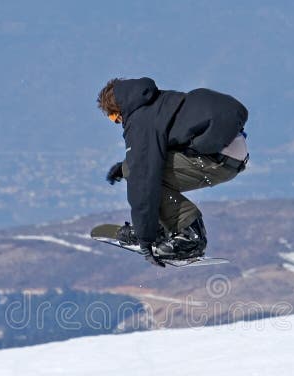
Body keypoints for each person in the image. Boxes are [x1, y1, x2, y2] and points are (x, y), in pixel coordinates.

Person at [97, 77, 249, 266]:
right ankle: (160, 227)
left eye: (113, 117)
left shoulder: (139, 120)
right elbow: (157, 150)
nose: (117, 121)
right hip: (231, 154)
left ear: (118, 108)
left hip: (216, 158)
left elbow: (143, 179)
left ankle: (190, 237)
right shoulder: (159, 101)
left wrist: (145, 239)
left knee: (141, 176)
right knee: (135, 168)